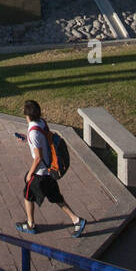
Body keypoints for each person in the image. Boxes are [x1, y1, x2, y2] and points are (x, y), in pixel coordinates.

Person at [16, 100, 87, 237]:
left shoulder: (33, 132)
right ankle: (77, 220)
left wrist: (30, 173)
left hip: (40, 173)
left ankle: (30, 225)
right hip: (49, 170)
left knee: (27, 195)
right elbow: (43, 140)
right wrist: (26, 139)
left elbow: (38, 157)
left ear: (27, 115)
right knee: (55, 197)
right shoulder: (41, 123)